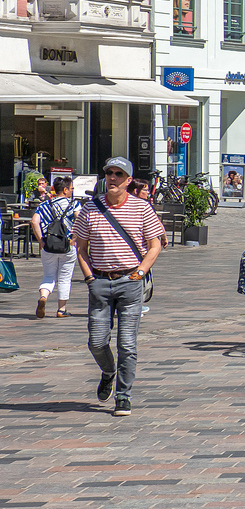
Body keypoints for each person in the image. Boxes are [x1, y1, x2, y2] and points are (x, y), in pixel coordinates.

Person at [71, 157, 163, 415]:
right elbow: (81, 247)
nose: (113, 177)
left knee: (127, 344)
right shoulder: (90, 208)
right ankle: (109, 371)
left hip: (129, 282)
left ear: (128, 180)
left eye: (119, 174)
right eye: (109, 173)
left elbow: (155, 245)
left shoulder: (142, 209)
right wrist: (89, 278)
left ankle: (123, 396)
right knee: (97, 343)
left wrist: (141, 271)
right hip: (99, 281)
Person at [31, 176, 82, 318]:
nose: (72, 191)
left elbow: (34, 222)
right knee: (65, 277)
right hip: (67, 245)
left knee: (48, 275)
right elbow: (81, 219)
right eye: (71, 189)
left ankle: (44, 296)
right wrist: (75, 237)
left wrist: (41, 240)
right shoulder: (74, 204)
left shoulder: (44, 205)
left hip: (49, 245)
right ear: (65, 190)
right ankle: (61, 309)